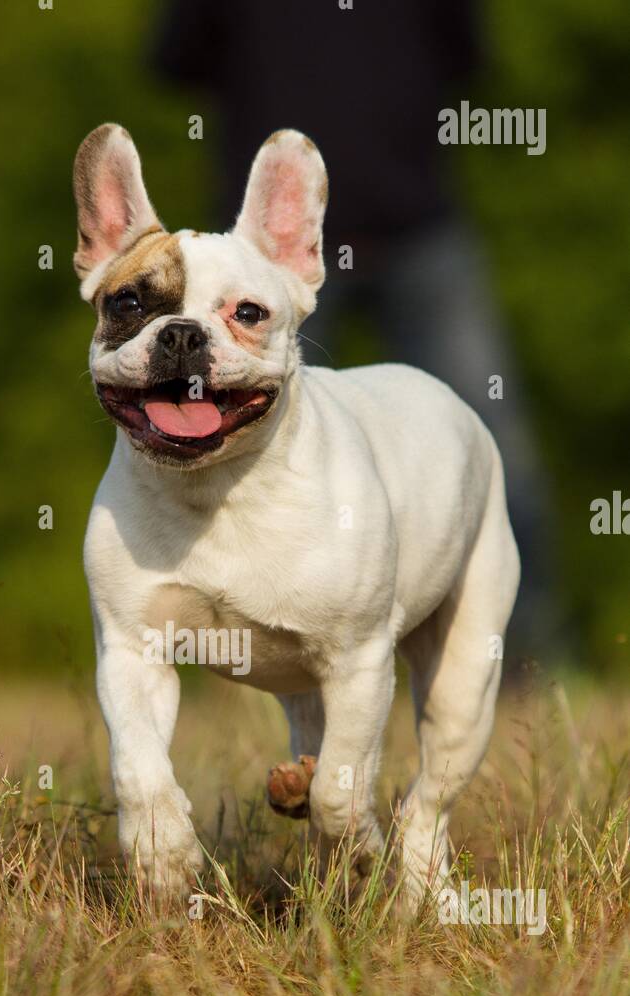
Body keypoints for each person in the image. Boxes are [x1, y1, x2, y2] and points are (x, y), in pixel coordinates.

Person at [153, 0, 558, 661]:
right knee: (248, 456)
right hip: (272, 256)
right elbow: (179, 56)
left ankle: (527, 664)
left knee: (493, 449)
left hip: (420, 229)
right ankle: (245, 656)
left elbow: (466, 56)